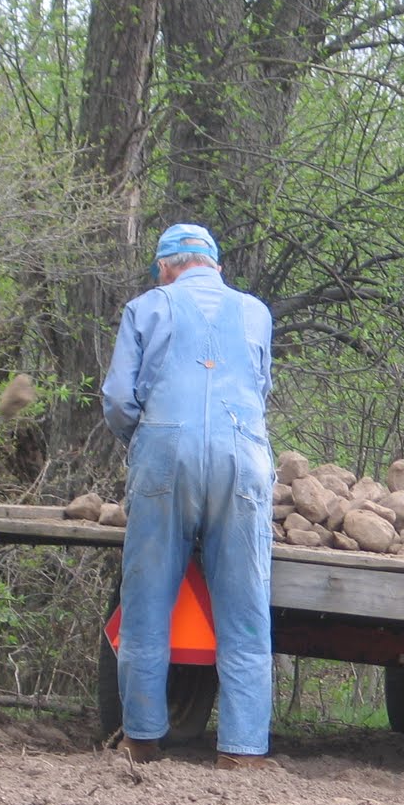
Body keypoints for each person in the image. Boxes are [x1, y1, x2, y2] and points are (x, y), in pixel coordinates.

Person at [102, 223, 276, 770]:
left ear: (166, 267)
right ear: (215, 267)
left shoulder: (145, 308)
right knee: (245, 605)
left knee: (147, 601)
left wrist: (147, 441)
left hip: (165, 453)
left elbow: (118, 399)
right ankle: (242, 750)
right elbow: (260, 387)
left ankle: (142, 740)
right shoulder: (255, 312)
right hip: (241, 457)